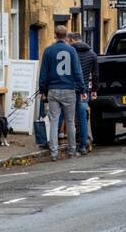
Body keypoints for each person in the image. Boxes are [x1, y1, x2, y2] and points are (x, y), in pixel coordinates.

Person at [39, 25, 84, 161]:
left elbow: (44, 73)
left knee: (54, 122)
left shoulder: (48, 51)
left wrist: (42, 90)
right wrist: (82, 89)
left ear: (55, 35)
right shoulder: (71, 50)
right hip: (69, 90)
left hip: (53, 90)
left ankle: (53, 153)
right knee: (70, 122)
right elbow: (77, 71)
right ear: (66, 37)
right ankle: (72, 150)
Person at [64, 31, 97, 154]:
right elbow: (95, 74)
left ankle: (70, 145)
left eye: (68, 41)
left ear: (72, 40)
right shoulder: (92, 54)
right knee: (83, 117)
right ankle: (82, 146)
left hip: (69, 88)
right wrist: (94, 90)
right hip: (84, 91)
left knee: (68, 117)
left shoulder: (69, 53)